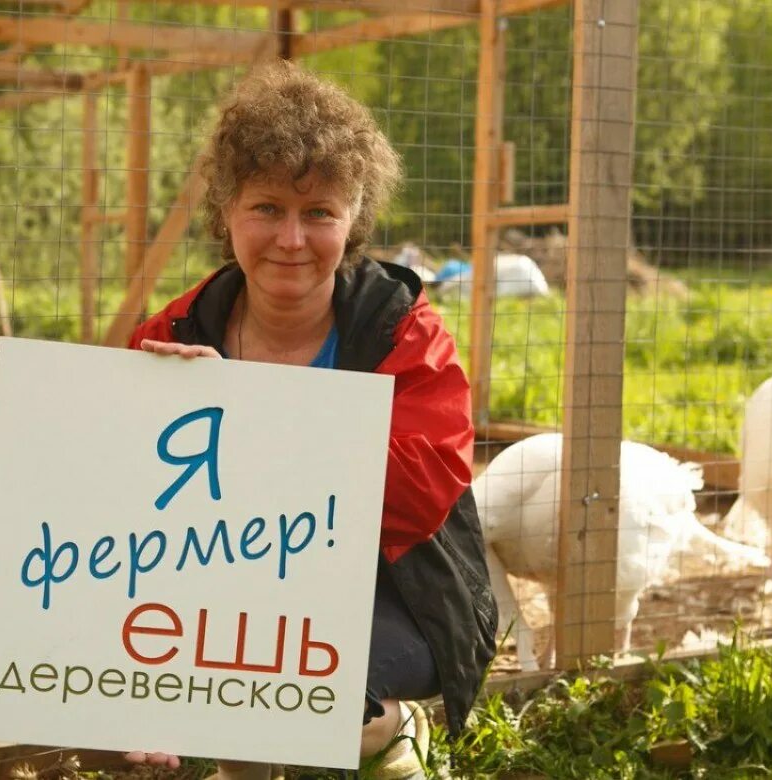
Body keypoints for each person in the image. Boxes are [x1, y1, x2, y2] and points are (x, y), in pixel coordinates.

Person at [124, 61, 497, 780]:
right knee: (194, 716)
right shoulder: (170, 333)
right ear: (227, 210)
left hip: (393, 586)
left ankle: (390, 732)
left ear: (353, 218)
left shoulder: (406, 331)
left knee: (291, 704)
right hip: (222, 588)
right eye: (266, 208)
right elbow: (121, 502)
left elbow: (422, 492)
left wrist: (247, 420)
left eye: (319, 212)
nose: (291, 239)